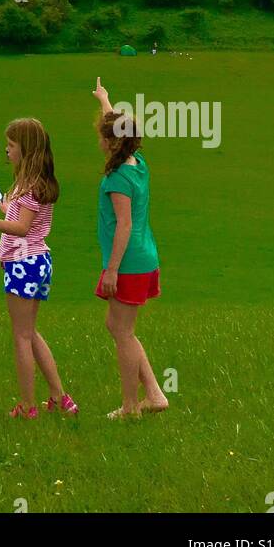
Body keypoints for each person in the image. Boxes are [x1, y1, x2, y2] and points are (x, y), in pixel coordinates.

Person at [0, 119, 78, 419]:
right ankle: (60, 397)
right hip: (38, 262)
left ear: (26, 149)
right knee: (30, 332)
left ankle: (27, 406)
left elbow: (22, 228)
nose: (6, 150)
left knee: (21, 336)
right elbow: (25, 218)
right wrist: (6, 208)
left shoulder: (29, 187)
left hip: (24, 263)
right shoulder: (35, 184)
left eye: (11, 145)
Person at [92, 77, 168, 420]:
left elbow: (123, 225)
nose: (98, 140)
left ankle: (130, 407)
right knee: (118, 327)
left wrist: (111, 270)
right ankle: (154, 394)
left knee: (122, 331)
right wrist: (104, 100)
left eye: (102, 136)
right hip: (143, 257)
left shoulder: (118, 179)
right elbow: (118, 128)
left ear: (111, 143)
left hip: (129, 263)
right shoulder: (137, 162)